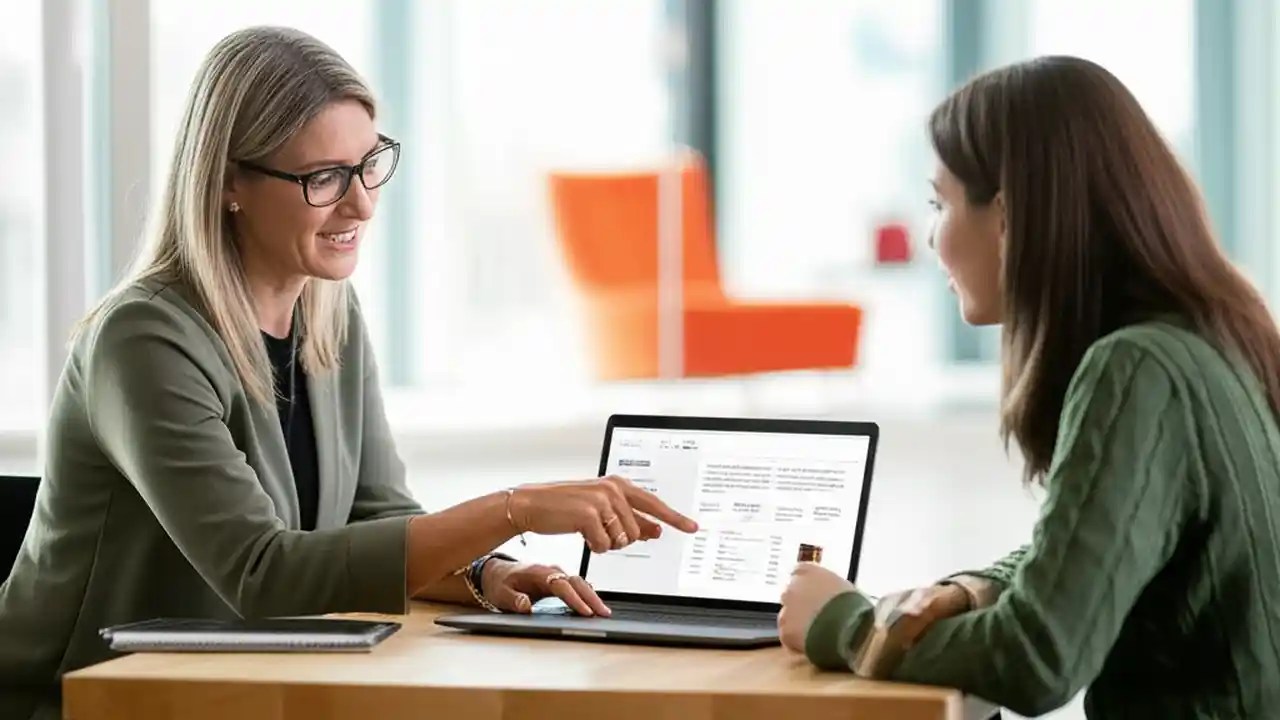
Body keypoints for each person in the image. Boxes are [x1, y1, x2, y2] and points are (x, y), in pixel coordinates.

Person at [0, 26, 697, 720]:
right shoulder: (143, 339)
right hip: (82, 699)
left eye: (368, 165)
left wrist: (491, 572)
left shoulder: (328, 310)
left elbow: (378, 514)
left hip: (236, 688)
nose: (361, 204)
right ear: (228, 183)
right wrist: (513, 508)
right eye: (323, 177)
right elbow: (262, 574)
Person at [778, 55, 1280, 718]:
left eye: (940, 203)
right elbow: (1105, 547)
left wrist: (846, 623)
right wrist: (972, 589)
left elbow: (1039, 655)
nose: (932, 236)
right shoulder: (1214, 335)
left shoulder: (1135, 369)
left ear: (1009, 217)